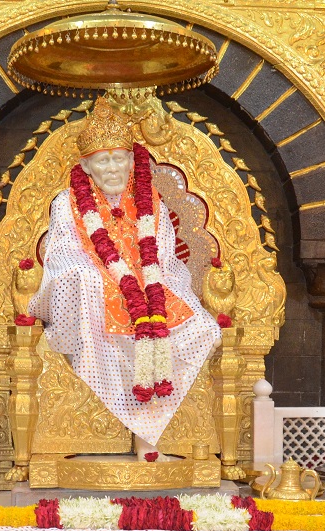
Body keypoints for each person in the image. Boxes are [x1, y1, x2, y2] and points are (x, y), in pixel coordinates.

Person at [28, 97, 220, 454]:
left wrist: (152, 287)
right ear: (86, 167)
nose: (113, 168)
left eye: (120, 158)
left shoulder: (152, 204)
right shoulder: (66, 203)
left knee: (203, 328)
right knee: (85, 285)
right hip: (92, 291)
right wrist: (107, 281)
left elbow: (162, 259)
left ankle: (150, 434)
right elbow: (63, 255)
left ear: (133, 162)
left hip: (149, 289)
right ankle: (106, 432)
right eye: (104, 160)